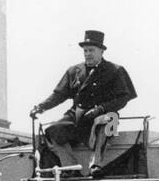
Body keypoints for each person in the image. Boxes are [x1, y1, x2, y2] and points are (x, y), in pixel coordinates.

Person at [30, 30, 137, 173]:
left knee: (109, 121)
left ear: (101, 51)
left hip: (103, 114)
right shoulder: (74, 71)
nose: (87, 54)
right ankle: (71, 167)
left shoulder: (115, 70)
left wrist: (100, 109)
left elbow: (123, 98)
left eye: (91, 50)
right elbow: (59, 94)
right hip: (78, 115)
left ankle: (95, 165)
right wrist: (41, 107)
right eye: (85, 51)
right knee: (52, 132)